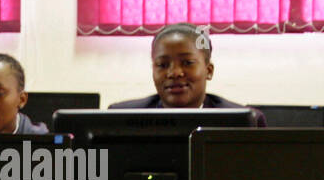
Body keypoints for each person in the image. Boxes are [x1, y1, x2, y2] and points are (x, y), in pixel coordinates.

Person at [110, 24, 267, 126]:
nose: (174, 73)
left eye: (187, 63)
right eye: (163, 65)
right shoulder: (120, 117)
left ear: (209, 71)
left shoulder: (244, 122)